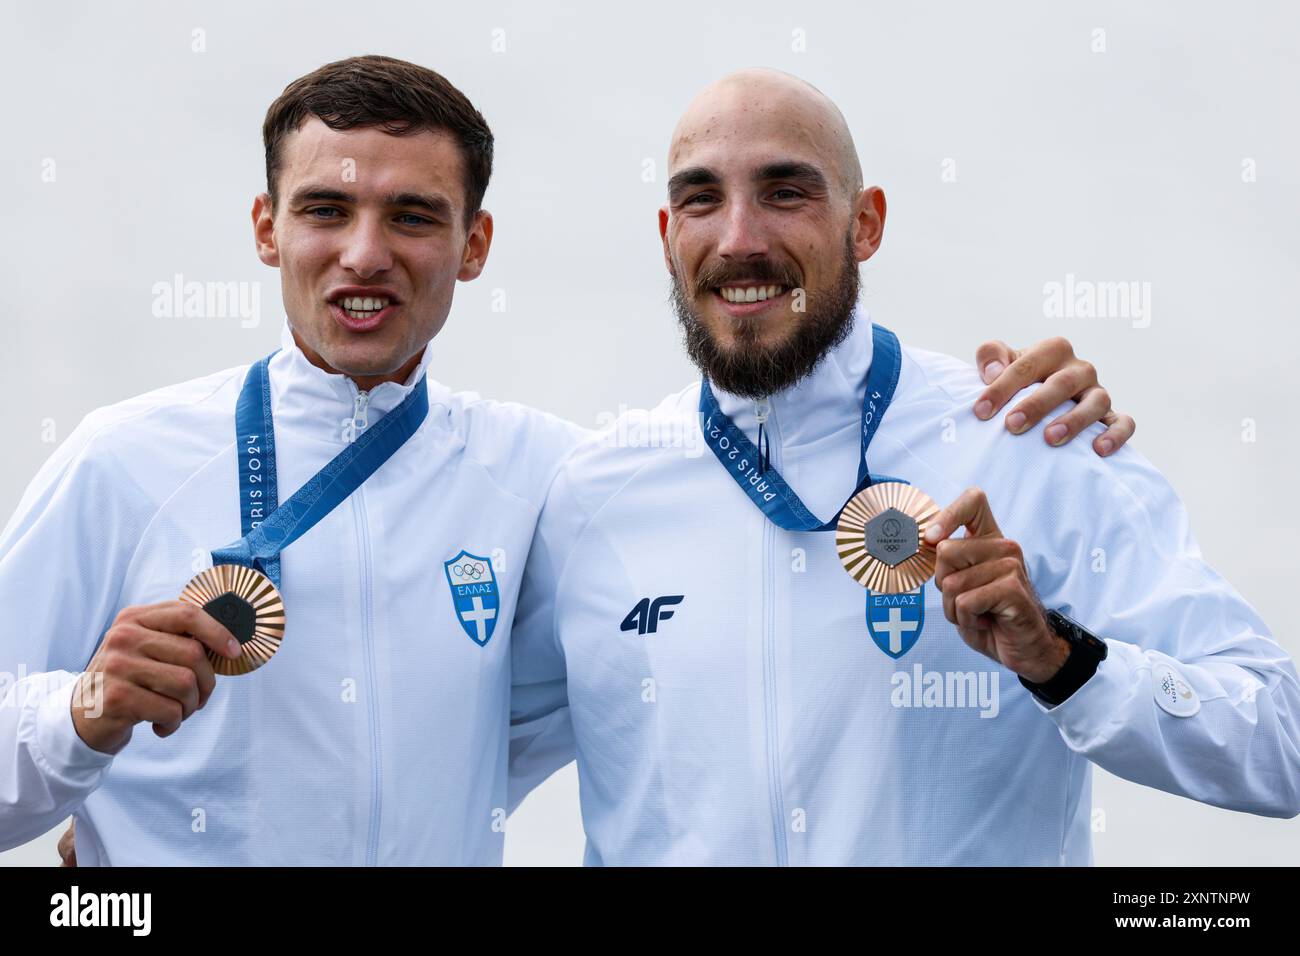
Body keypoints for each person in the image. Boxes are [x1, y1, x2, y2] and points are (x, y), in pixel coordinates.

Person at [6, 55, 1128, 867]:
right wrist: (81, 719)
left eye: (412, 215)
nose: (364, 253)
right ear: (264, 228)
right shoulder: (123, 458)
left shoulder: (560, 479)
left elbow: (659, 675)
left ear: (473, 244)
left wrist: (1040, 413)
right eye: (324, 209)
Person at [507, 69, 1300, 865]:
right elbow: (442, 771)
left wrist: (1064, 663)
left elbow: (1278, 742)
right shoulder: (589, 496)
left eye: (786, 193)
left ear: (866, 224)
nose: (739, 238)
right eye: (701, 199)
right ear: (667, 233)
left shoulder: (1029, 441)